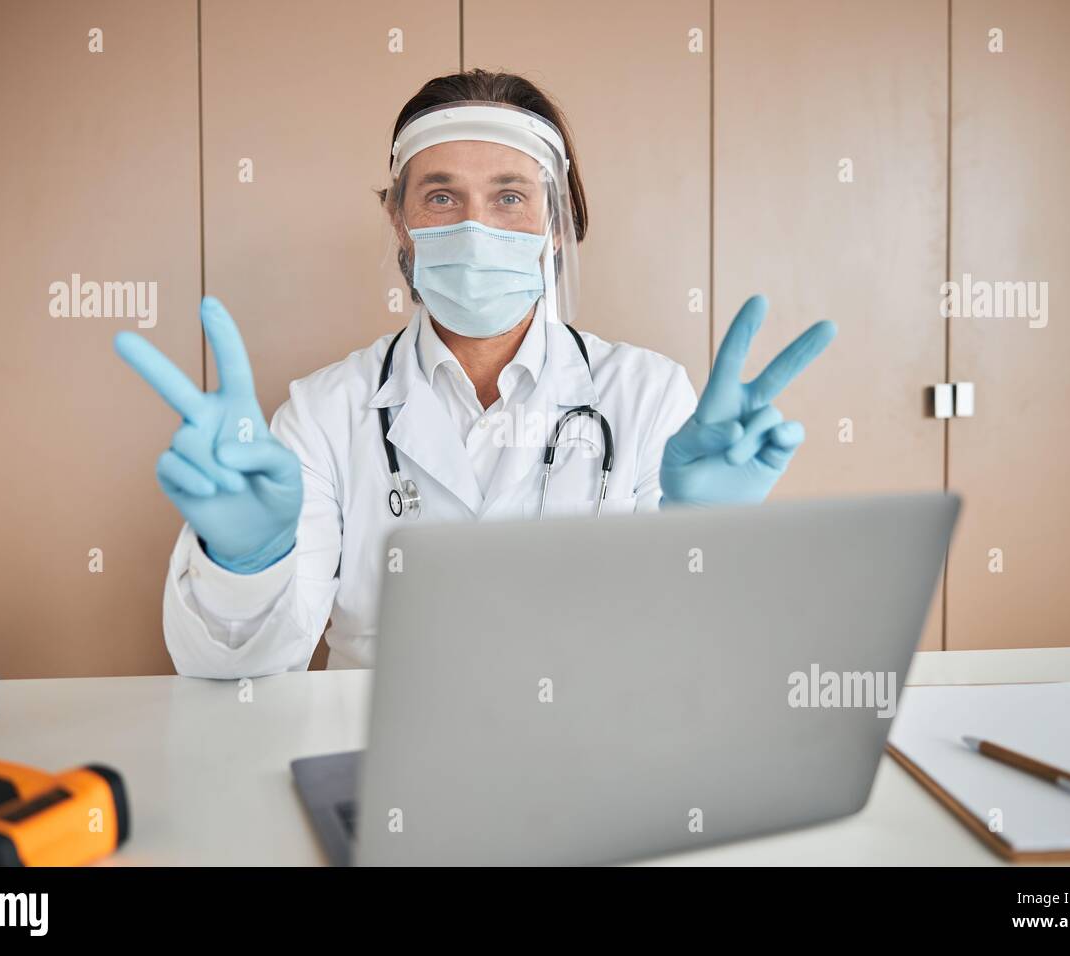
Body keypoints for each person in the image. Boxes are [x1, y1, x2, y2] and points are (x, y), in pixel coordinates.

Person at [114, 70, 836, 677]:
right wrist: (246, 561)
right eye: (440, 196)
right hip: (374, 755)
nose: (474, 225)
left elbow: (692, 657)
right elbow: (240, 675)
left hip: (591, 749)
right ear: (399, 220)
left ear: (556, 223)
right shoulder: (324, 411)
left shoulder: (646, 395)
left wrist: (705, 532)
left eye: (510, 196)